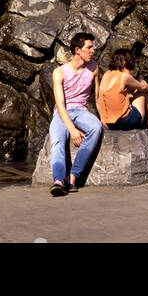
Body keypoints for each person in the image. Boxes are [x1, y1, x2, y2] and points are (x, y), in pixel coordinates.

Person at [47, 32, 102, 196]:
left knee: (96, 127)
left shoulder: (94, 68)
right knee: (57, 140)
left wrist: (104, 120)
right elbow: (60, 105)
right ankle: (58, 180)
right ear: (77, 50)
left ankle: (73, 176)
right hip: (62, 112)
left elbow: (98, 99)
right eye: (89, 47)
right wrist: (72, 130)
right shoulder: (59, 72)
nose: (93, 50)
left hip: (81, 111)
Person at [96, 49, 148, 132]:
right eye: (130, 64)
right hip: (126, 122)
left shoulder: (106, 74)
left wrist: (102, 119)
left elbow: (102, 98)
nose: (131, 68)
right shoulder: (124, 76)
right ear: (124, 63)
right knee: (144, 87)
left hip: (109, 123)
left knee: (130, 90)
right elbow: (143, 87)